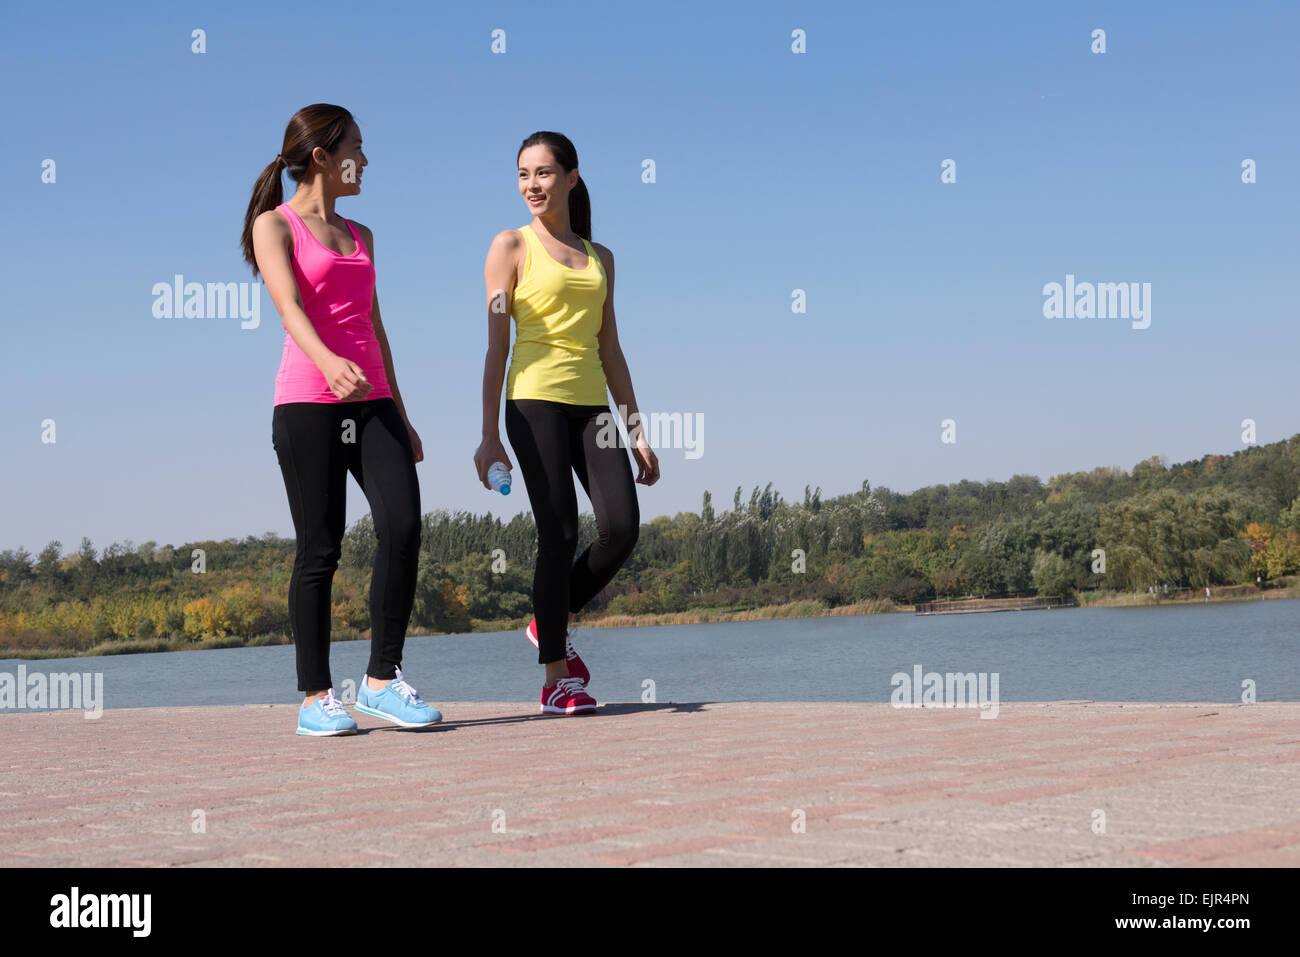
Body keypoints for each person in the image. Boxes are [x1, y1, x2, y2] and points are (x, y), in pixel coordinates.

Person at [242, 104, 440, 736]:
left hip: (372, 399)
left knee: (403, 524)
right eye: (357, 147)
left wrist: (400, 412)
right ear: (322, 156)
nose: (366, 159)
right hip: (308, 400)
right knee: (320, 548)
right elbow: (288, 308)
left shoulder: (362, 235)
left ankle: (381, 682)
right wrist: (327, 363)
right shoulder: (274, 225)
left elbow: (376, 327)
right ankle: (315, 698)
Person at [474, 131, 660, 716]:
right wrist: (488, 435)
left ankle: (546, 620)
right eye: (523, 174)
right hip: (533, 402)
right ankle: (556, 679)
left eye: (544, 173)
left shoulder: (601, 259)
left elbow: (612, 349)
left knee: (621, 527)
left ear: (572, 178)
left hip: (591, 406)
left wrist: (636, 430)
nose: (532, 185)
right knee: (557, 534)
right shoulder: (510, 246)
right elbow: (496, 347)